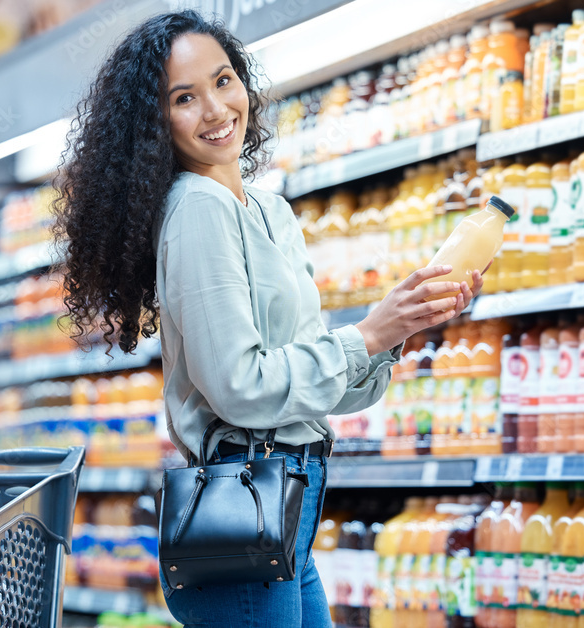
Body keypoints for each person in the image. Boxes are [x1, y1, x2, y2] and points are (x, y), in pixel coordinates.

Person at [55, 10, 481, 627]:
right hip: (245, 496)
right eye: (184, 97)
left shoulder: (265, 208)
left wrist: (398, 328)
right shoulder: (196, 208)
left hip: (287, 502)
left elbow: (313, 386)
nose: (215, 109)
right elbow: (239, 386)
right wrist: (369, 333)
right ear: (155, 123)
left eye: (224, 80)